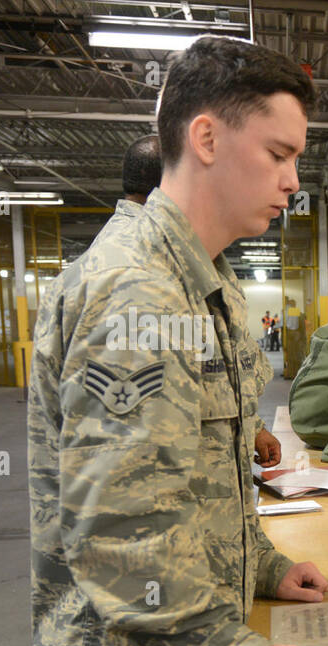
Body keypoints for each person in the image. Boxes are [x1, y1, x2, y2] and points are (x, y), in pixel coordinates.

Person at [27, 35, 328, 646]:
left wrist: (265, 563)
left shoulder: (207, 285)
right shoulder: (139, 296)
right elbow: (119, 526)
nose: (290, 181)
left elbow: (200, 474)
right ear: (205, 138)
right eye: (277, 154)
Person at [97, 134, 283, 467]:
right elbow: (128, 448)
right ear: (176, 182)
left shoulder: (188, 255)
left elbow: (209, 372)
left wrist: (252, 427)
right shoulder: (135, 271)